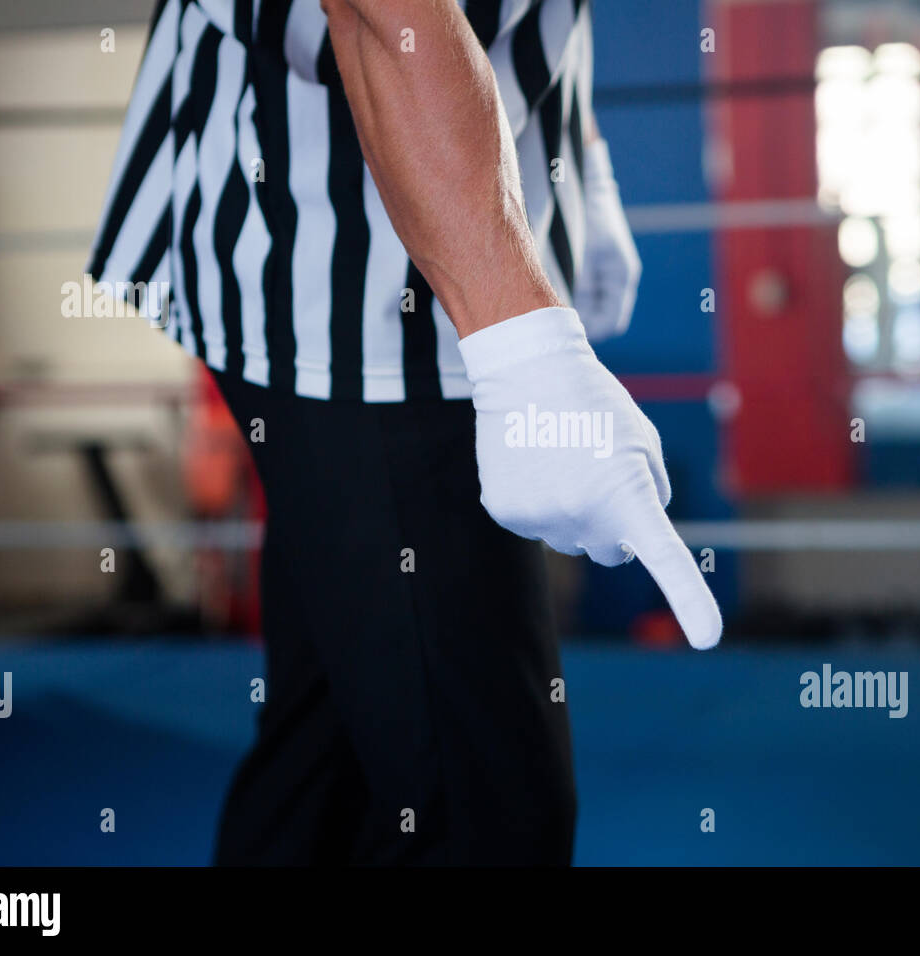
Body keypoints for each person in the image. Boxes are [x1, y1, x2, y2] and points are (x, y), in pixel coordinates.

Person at [88, 0, 721, 865]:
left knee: (332, 751)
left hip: (394, 276)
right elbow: (386, 16)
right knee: (489, 811)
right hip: (351, 296)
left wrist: (579, 160)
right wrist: (520, 338)